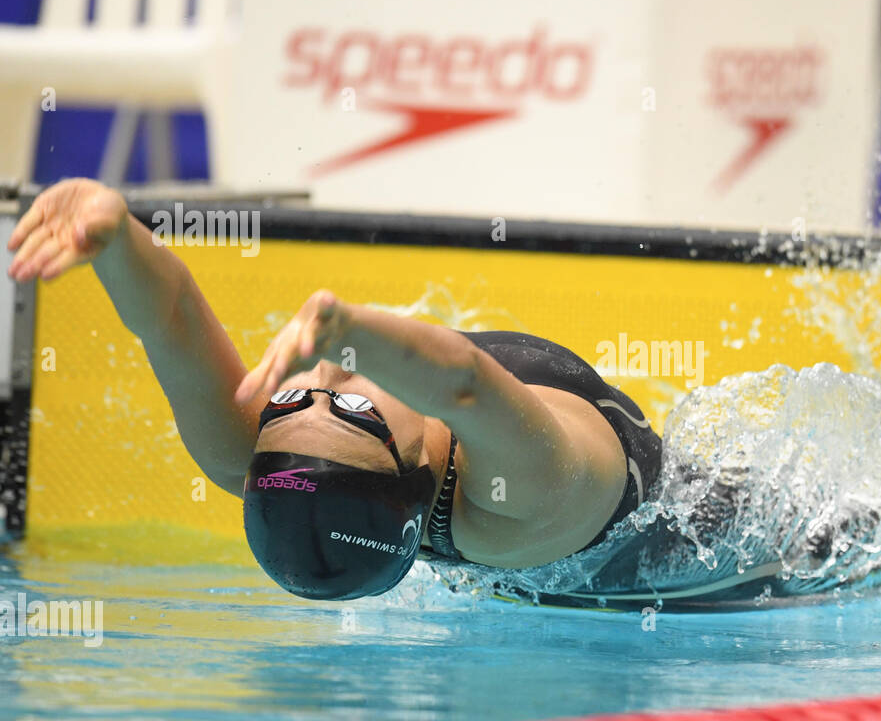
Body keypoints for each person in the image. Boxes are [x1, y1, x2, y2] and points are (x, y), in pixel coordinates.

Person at [7, 179, 662, 602]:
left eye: (288, 403)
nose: (324, 377)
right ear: (417, 467)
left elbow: (171, 316)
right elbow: (465, 384)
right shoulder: (519, 500)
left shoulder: (261, 460)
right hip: (705, 560)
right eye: (352, 412)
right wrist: (352, 330)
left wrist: (118, 238)